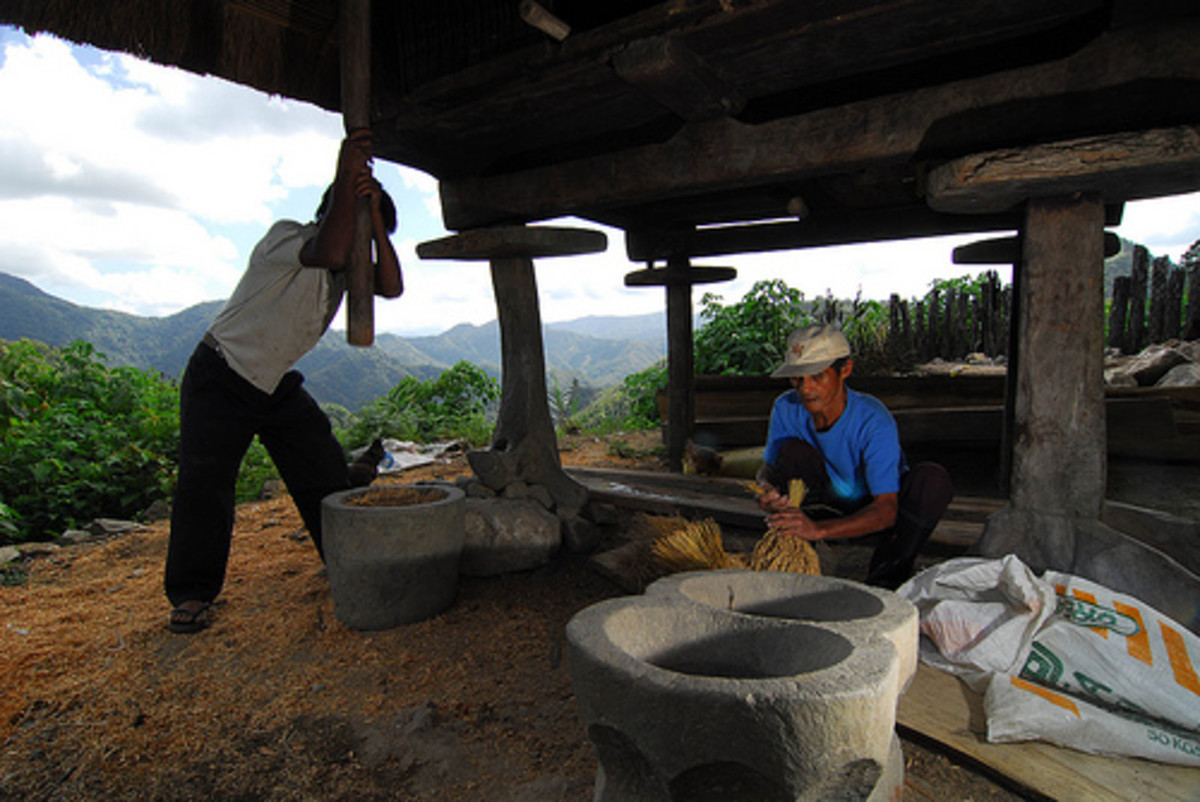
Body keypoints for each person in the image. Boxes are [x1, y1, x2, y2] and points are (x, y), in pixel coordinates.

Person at [165, 129, 402, 633]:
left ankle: (344, 548)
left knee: (318, 463)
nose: (360, 240)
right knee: (206, 485)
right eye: (357, 221)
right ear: (333, 209)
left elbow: (391, 285)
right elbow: (331, 248)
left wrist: (378, 225)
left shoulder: (348, 266)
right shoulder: (288, 238)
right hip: (222, 372)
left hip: (272, 382)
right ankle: (192, 593)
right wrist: (347, 174)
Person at [755, 324, 953, 589]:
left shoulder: (873, 420)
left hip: (875, 508)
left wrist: (819, 530)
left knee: (931, 482)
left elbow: (886, 510)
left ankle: (888, 577)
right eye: (797, 379)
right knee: (792, 452)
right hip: (822, 503)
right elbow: (768, 469)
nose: (805, 389)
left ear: (845, 370)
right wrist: (766, 489)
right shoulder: (786, 407)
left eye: (817, 377)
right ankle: (799, 557)